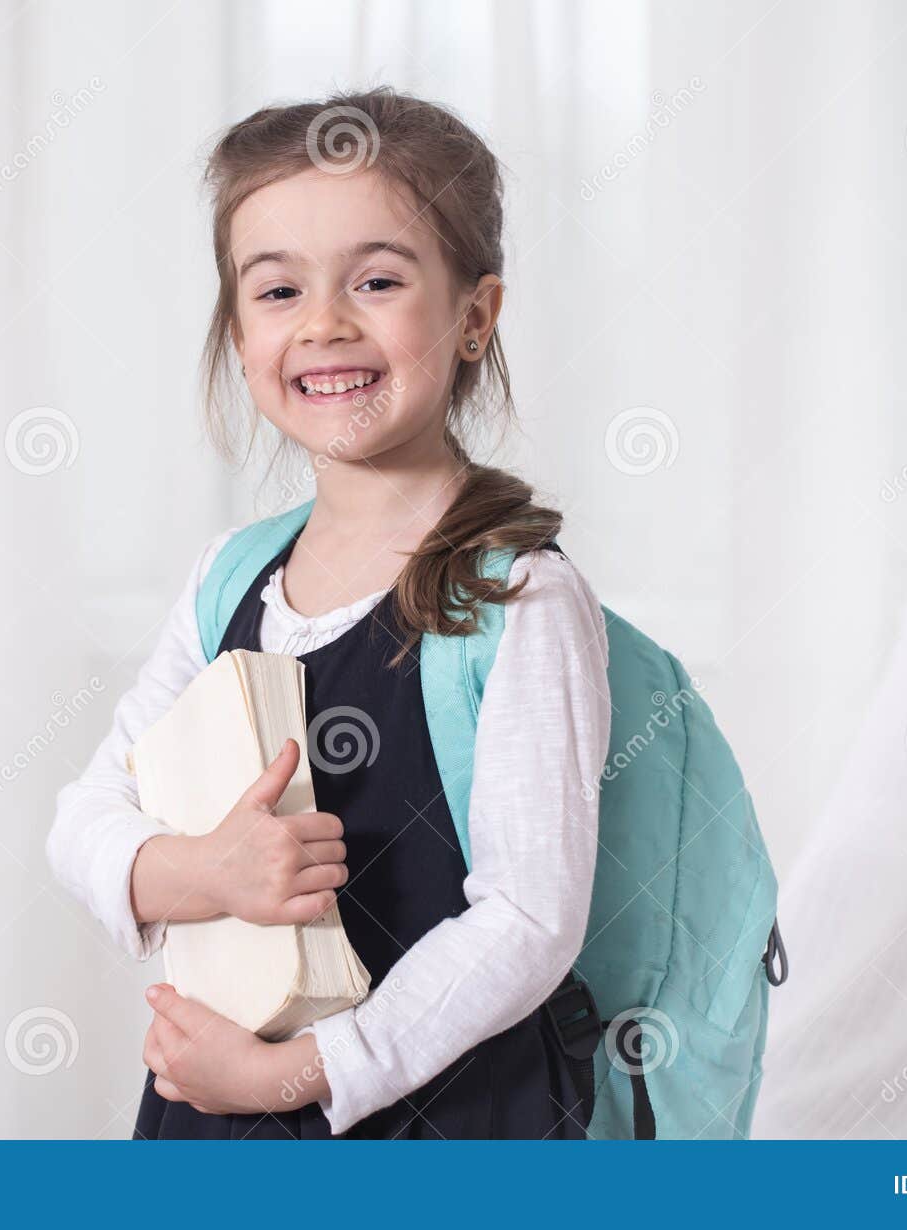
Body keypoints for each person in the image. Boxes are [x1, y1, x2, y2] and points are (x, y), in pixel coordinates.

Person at [46, 86, 611, 1140]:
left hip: (438, 1125)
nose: (322, 324)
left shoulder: (518, 596)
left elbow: (530, 920)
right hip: (216, 1100)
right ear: (236, 327)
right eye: (275, 291)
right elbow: (82, 818)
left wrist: (298, 1074)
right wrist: (201, 871)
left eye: (379, 280)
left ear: (475, 316)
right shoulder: (232, 579)